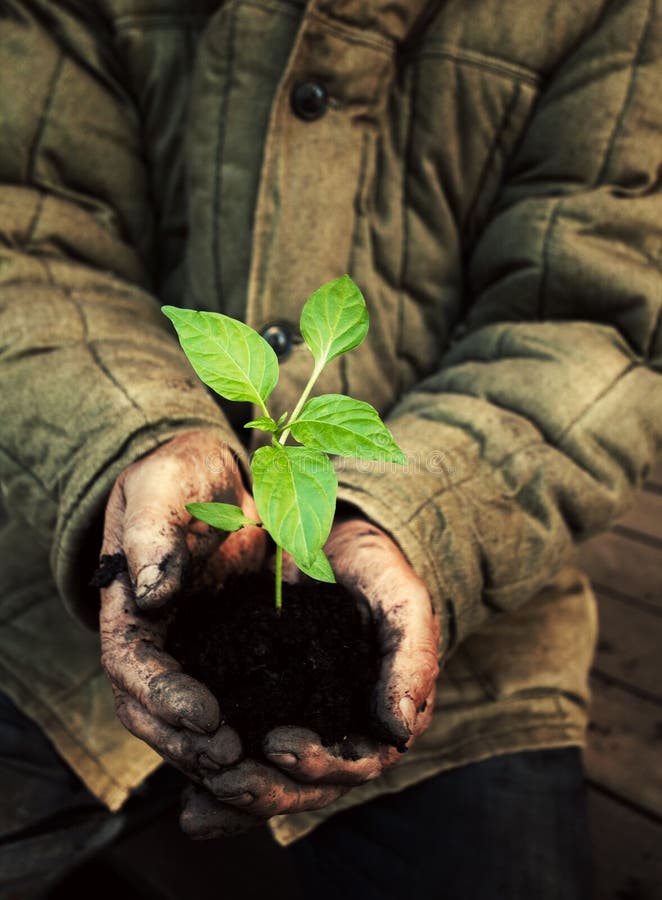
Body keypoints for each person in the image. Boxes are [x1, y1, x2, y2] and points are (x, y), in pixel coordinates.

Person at [1, 0, 660, 897]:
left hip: (469, 589)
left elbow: (595, 327)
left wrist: (403, 515)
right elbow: (29, 236)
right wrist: (136, 442)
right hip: (57, 577)